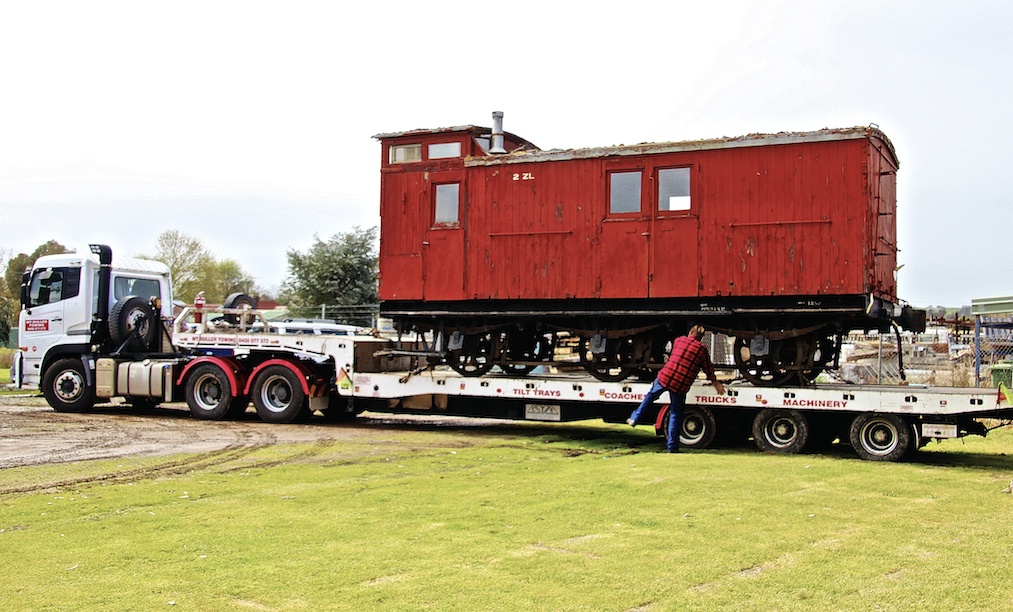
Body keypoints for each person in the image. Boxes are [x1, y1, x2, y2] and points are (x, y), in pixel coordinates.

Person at [626, 325, 725, 453]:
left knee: (650, 396)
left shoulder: (679, 340)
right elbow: (708, 368)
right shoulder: (702, 350)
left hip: (666, 376)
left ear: (690, 332)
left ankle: (635, 417)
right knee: (675, 414)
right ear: (701, 338)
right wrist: (715, 382)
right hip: (680, 384)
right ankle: (672, 447)